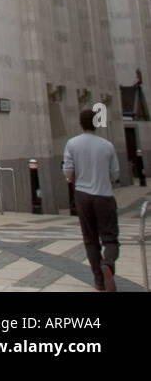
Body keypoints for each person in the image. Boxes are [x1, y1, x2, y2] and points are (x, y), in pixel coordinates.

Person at [62, 108, 120, 291]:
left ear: (80, 123)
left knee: (90, 239)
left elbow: (68, 172)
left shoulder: (72, 144)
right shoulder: (107, 145)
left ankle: (99, 280)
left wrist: (73, 178)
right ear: (96, 123)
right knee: (110, 238)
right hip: (104, 195)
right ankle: (108, 263)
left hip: (82, 195)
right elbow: (116, 174)